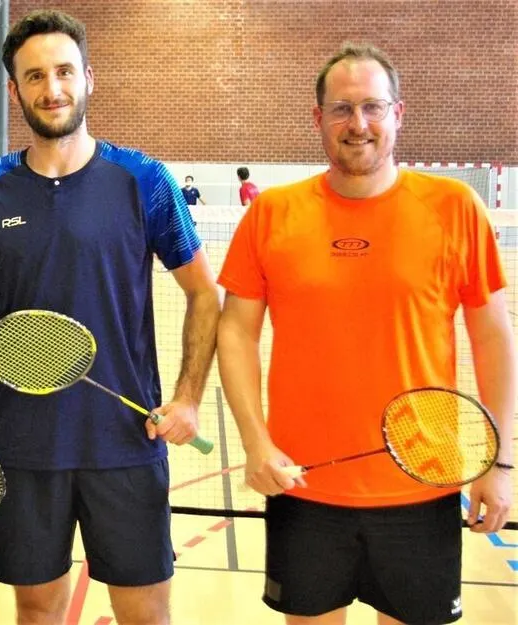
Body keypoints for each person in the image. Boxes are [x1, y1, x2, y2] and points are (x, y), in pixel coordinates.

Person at [217, 42, 514, 625]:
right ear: (317, 118)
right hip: (304, 487)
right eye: (341, 109)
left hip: (422, 483)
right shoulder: (272, 214)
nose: (358, 124)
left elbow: (494, 339)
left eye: (373, 108)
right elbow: (235, 333)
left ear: (398, 114)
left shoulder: (456, 207)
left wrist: (497, 464)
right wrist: (256, 440)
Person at [0, 10, 220, 624]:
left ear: (89, 78)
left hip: (126, 439)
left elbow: (205, 295)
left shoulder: (144, 180)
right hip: (23, 442)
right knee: (38, 611)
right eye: (36, 76)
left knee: (146, 614)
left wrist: (186, 397)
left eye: (65, 71)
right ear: (15, 89)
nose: (54, 89)